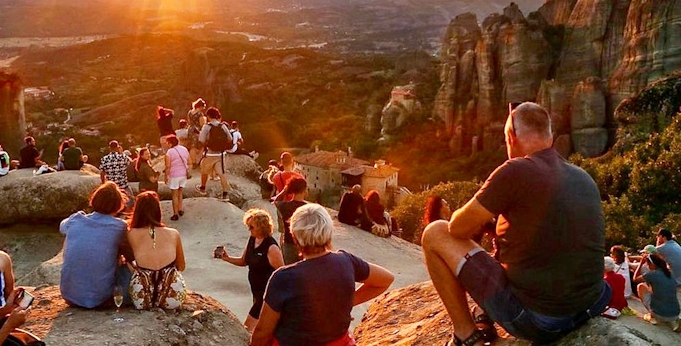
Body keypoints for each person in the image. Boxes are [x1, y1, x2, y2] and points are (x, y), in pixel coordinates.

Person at [421, 102, 610, 346]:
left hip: (539, 321)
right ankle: (482, 319)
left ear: (511, 136)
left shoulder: (515, 170)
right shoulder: (583, 176)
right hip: (589, 306)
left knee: (435, 232)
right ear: (551, 137)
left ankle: (467, 336)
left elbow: (456, 228)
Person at [249, 204, 394, 346]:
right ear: (329, 232)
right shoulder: (346, 261)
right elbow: (386, 279)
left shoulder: (283, 277)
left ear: (295, 236)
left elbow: (262, 332)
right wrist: (345, 303)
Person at [59, 181, 134, 309]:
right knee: (126, 268)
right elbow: (131, 256)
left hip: (69, 295)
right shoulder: (119, 226)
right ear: (118, 205)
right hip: (101, 298)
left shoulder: (76, 219)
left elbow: (62, 227)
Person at [219, 208, 284, 331]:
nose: (249, 230)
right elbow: (244, 261)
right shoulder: (252, 239)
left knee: (247, 327)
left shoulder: (272, 248)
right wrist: (226, 258)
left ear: (261, 227)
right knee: (262, 327)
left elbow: (282, 273)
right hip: (256, 291)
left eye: (252, 227)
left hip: (266, 294)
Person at [127, 191, 187, 310]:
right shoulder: (174, 234)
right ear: (158, 211)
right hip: (173, 297)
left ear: (137, 211)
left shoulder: (130, 234)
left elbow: (127, 260)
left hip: (141, 299)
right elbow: (181, 266)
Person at [633, 251, 680, 330]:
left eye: (647, 264)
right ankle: (673, 321)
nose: (647, 266)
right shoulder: (670, 273)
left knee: (640, 286)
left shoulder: (652, 275)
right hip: (676, 312)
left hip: (659, 313)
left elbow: (635, 279)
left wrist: (641, 263)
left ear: (652, 264)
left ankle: (653, 316)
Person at [196, 106, 232, 201]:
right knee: (221, 174)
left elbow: (201, 140)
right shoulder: (223, 126)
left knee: (204, 171)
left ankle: (203, 188)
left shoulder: (207, 126)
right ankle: (225, 194)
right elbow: (230, 139)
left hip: (210, 153)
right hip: (221, 154)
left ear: (208, 116)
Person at [275, 177, 308, 265]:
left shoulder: (283, 206)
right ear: (305, 191)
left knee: (289, 271)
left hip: (288, 244)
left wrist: (285, 191)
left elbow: (275, 200)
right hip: (304, 245)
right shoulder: (308, 208)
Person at [163, 135, 190, 221]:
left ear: (170, 143)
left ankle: (175, 214)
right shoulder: (184, 149)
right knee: (180, 192)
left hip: (174, 175)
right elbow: (190, 161)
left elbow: (168, 166)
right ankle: (180, 209)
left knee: (174, 195)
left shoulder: (169, 152)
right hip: (183, 174)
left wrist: (165, 176)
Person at [99, 140, 133, 205]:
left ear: (109, 148)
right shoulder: (123, 157)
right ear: (118, 147)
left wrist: (104, 183)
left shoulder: (104, 159)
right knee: (131, 201)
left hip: (111, 186)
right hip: (123, 185)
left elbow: (102, 173)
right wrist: (122, 152)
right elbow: (131, 162)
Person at [187, 98, 207, 165]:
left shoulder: (190, 112)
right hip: (197, 130)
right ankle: (199, 160)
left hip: (190, 129)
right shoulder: (200, 114)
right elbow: (202, 124)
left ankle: (193, 162)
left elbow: (189, 122)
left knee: (192, 146)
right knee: (201, 145)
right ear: (201, 106)